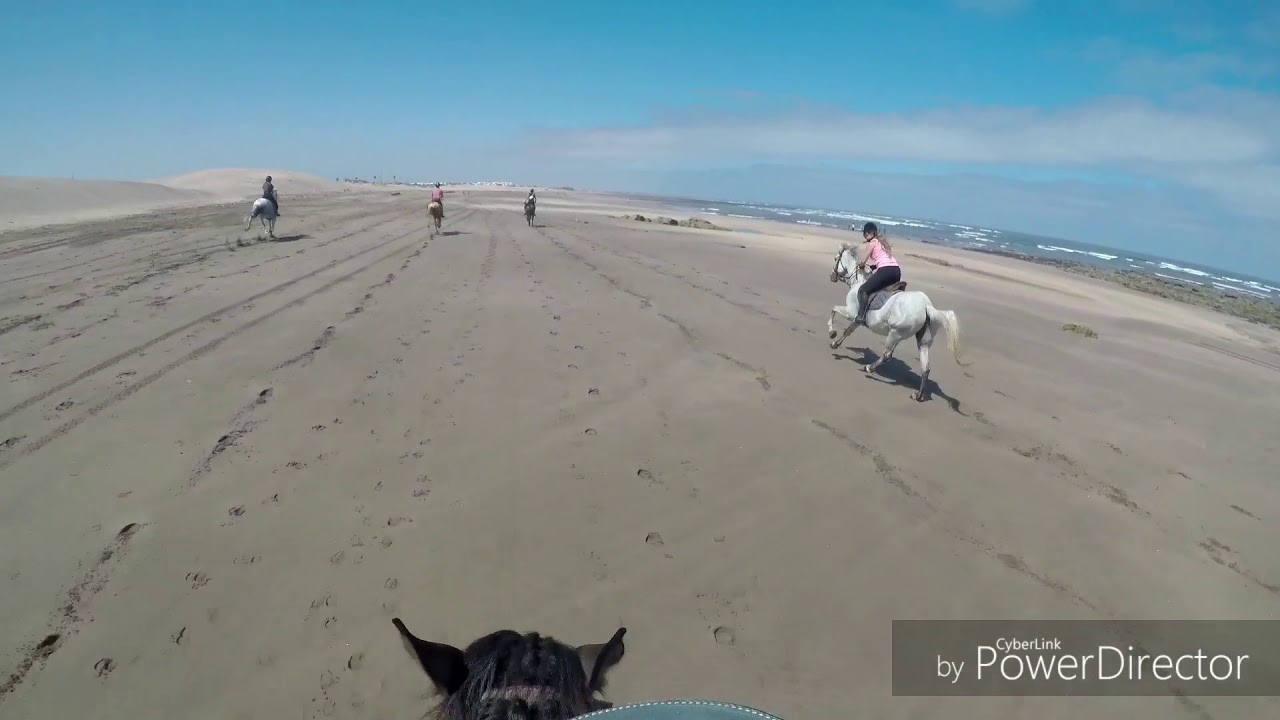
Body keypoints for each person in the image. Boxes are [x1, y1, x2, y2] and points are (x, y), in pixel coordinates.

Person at [850, 221, 901, 325]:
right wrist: (874, 266)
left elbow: (863, 262)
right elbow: (884, 259)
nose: (866, 234)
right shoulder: (882, 243)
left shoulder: (872, 243)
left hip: (885, 271)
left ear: (870, 233)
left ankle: (861, 316)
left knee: (863, 290)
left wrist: (860, 266)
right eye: (865, 233)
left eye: (867, 233)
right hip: (896, 271)